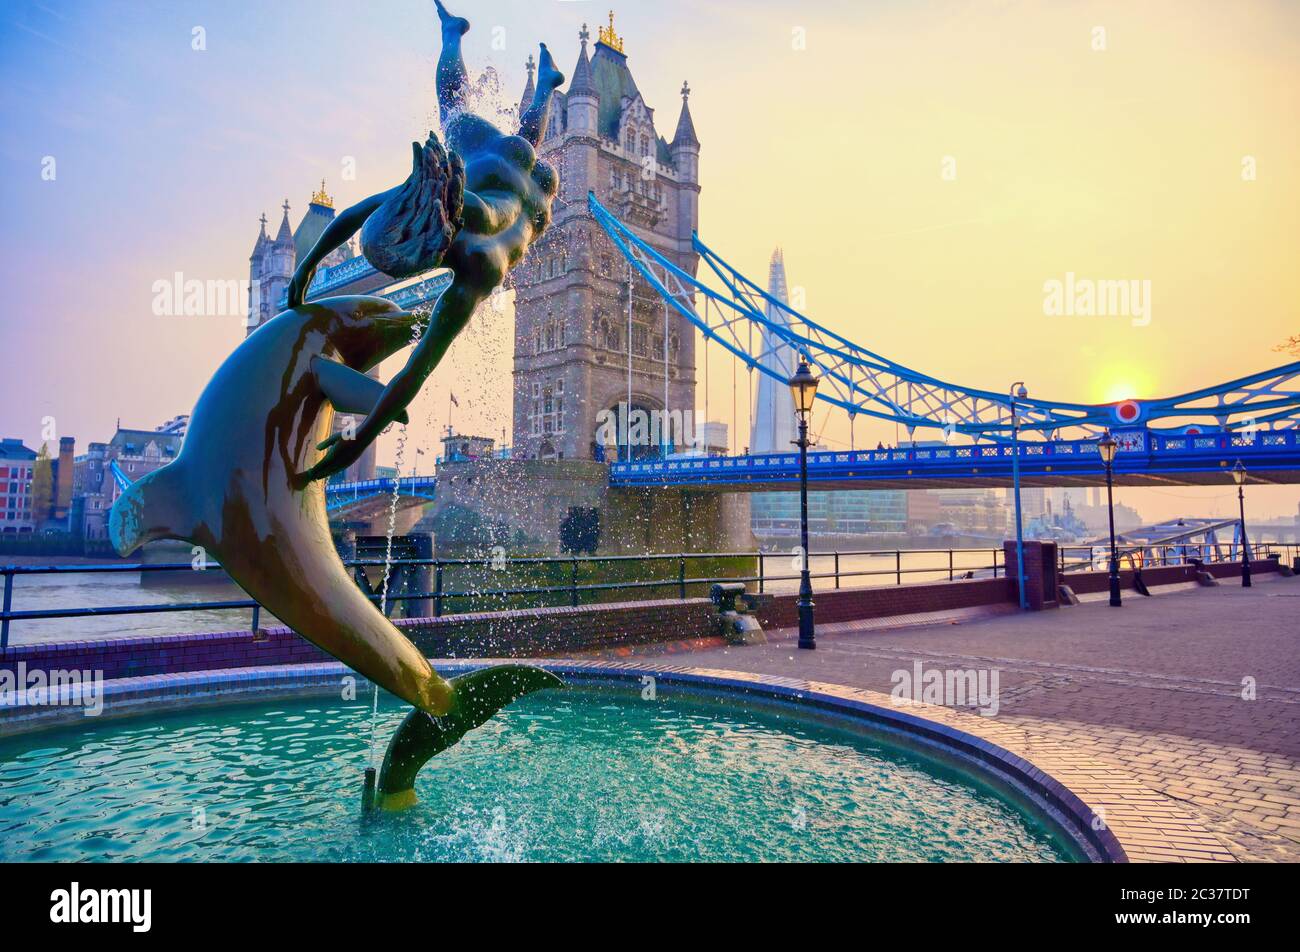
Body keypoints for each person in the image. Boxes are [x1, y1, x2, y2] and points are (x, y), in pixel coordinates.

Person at [296, 0, 564, 481]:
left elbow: (410, 376)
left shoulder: (476, 277)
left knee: (459, 113)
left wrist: (359, 439)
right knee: (459, 115)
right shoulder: (444, 194)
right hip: (507, 168)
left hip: (542, 191)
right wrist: (307, 266)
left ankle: (507, 65)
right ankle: (477, 48)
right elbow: (361, 213)